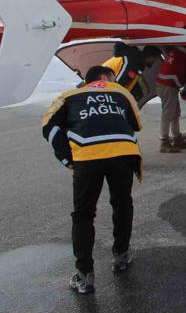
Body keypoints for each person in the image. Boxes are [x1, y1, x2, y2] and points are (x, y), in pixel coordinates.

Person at [41, 65, 143, 295]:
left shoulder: (67, 96)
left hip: (87, 155)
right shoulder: (121, 92)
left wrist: (68, 159)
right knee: (122, 203)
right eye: (113, 77)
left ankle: (84, 275)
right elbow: (136, 122)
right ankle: (121, 255)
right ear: (105, 77)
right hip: (122, 151)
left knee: (83, 213)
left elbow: (50, 127)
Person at [155, 47, 186, 153]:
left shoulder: (176, 52)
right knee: (168, 113)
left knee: (175, 112)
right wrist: (181, 86)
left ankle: (177, 138)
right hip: (167, 85)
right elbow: (175, 75)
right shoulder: (183, 56)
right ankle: (164, 142)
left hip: (166, 84)